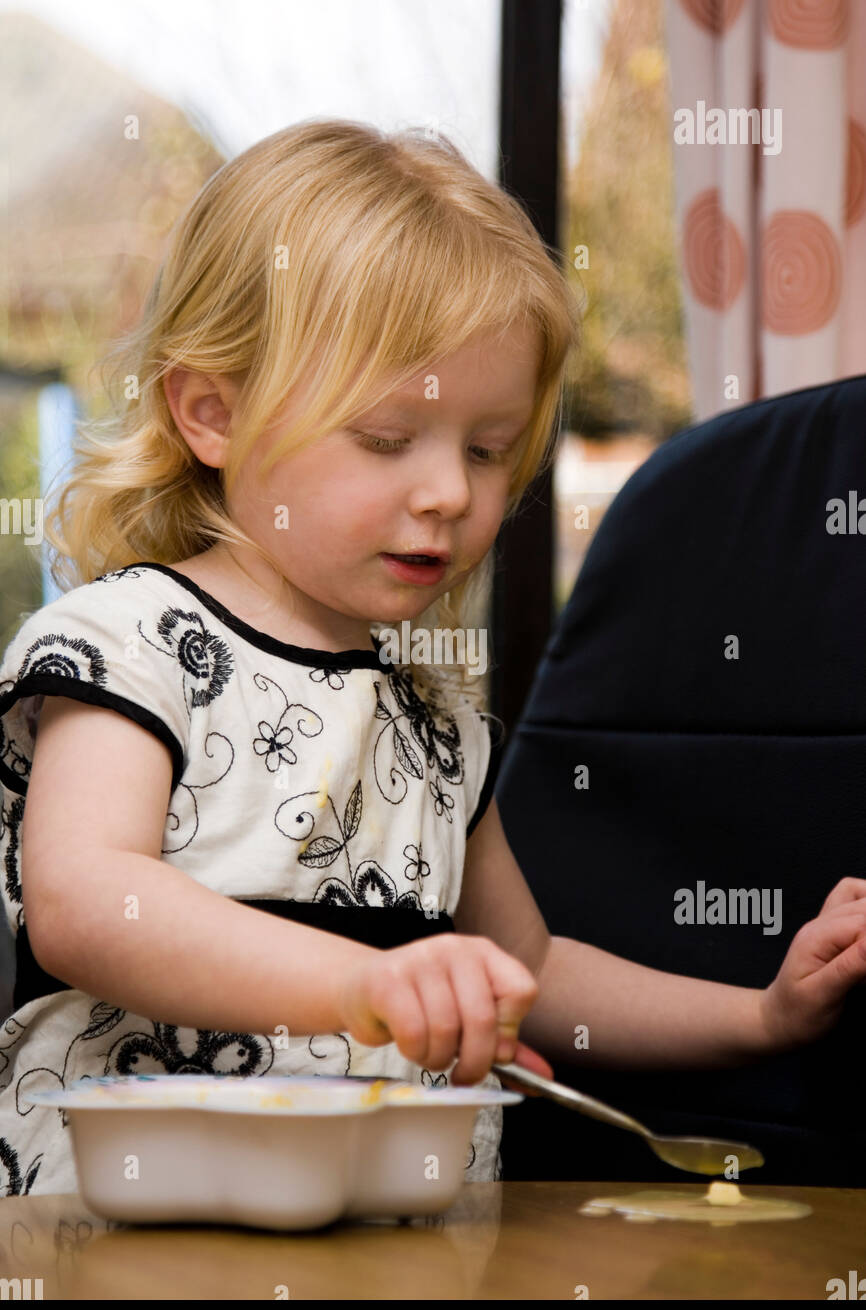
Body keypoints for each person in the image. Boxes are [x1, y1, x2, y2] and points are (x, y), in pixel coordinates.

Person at [2, 119, 865, 1198]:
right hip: (125, 1240)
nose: (450, 492)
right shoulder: (123, 647)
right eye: (383, 438)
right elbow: (87, 900)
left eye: (487, 448)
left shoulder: (435, 721)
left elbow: (530, 974)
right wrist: (375, 984)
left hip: (399, 1251)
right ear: (211, 412)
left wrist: (758, 1016)